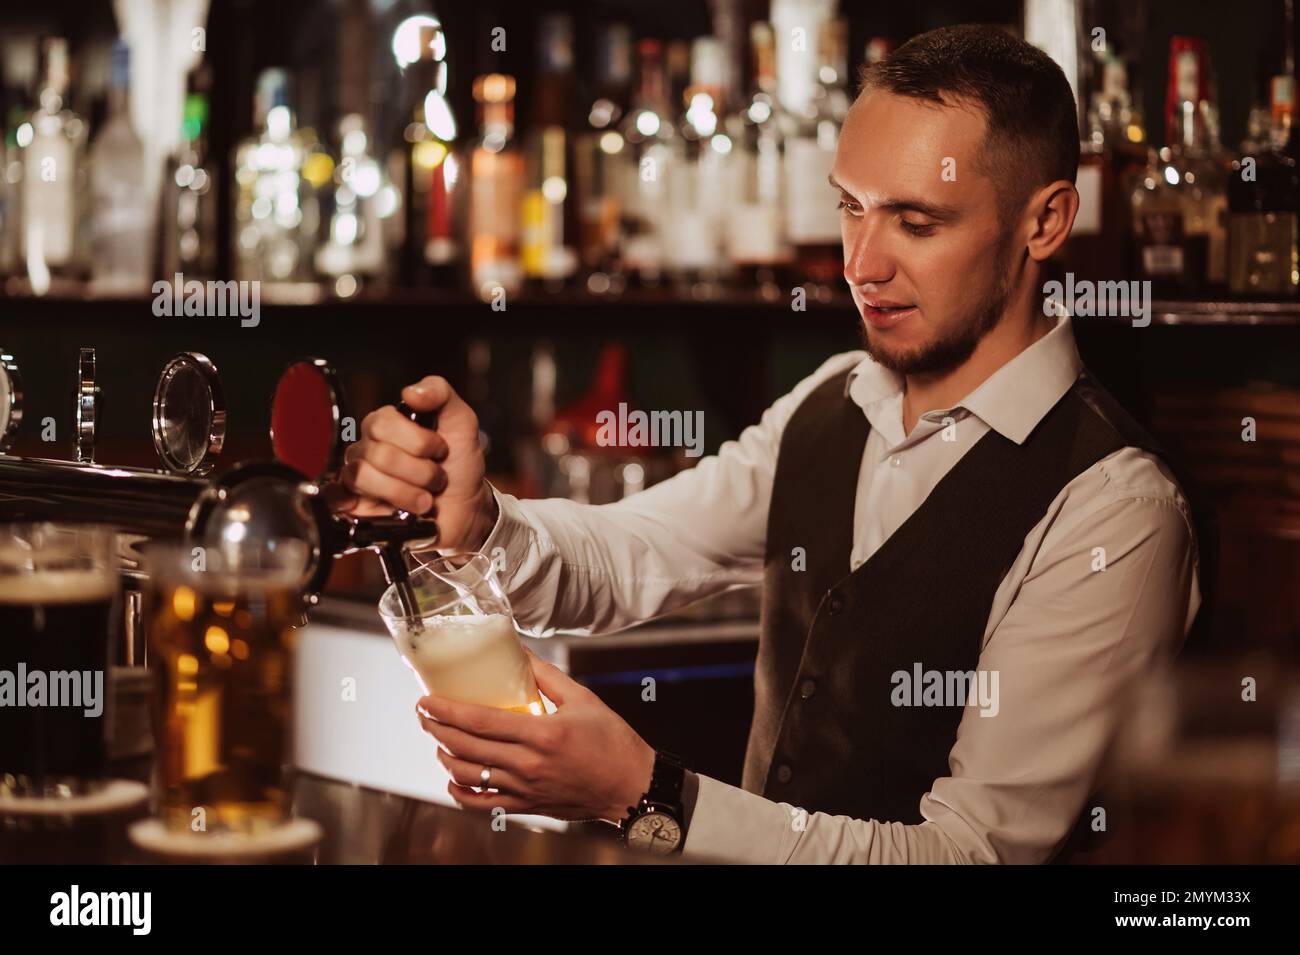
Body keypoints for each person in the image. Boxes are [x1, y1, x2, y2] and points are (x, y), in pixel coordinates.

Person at [336, 24, 1201, 863]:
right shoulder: (834, 399)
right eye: (850, 208)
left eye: (917, 222)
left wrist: (648, 797)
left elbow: (969, 855)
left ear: (1045, 222)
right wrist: (480, 521)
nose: (864, 261)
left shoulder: (1115, 508)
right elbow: (632, 553)